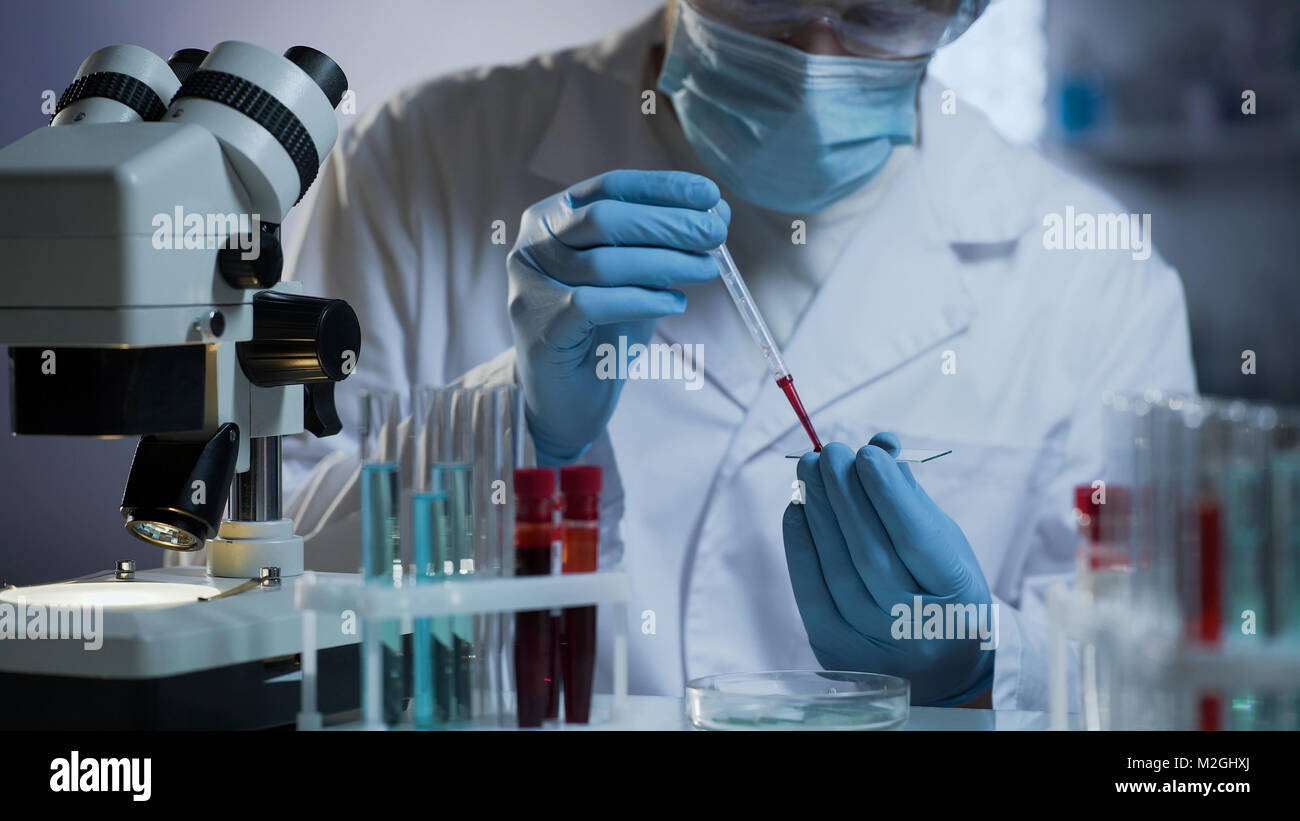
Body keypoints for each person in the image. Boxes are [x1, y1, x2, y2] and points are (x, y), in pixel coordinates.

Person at [281, 0, 1195, 710]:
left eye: (878, 13)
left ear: (966, 11)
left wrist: (979, 664)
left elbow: (1158, 683)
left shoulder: (1099, 278)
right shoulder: (416, 161)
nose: (813, 55)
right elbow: (261, 571)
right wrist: (514, 432)